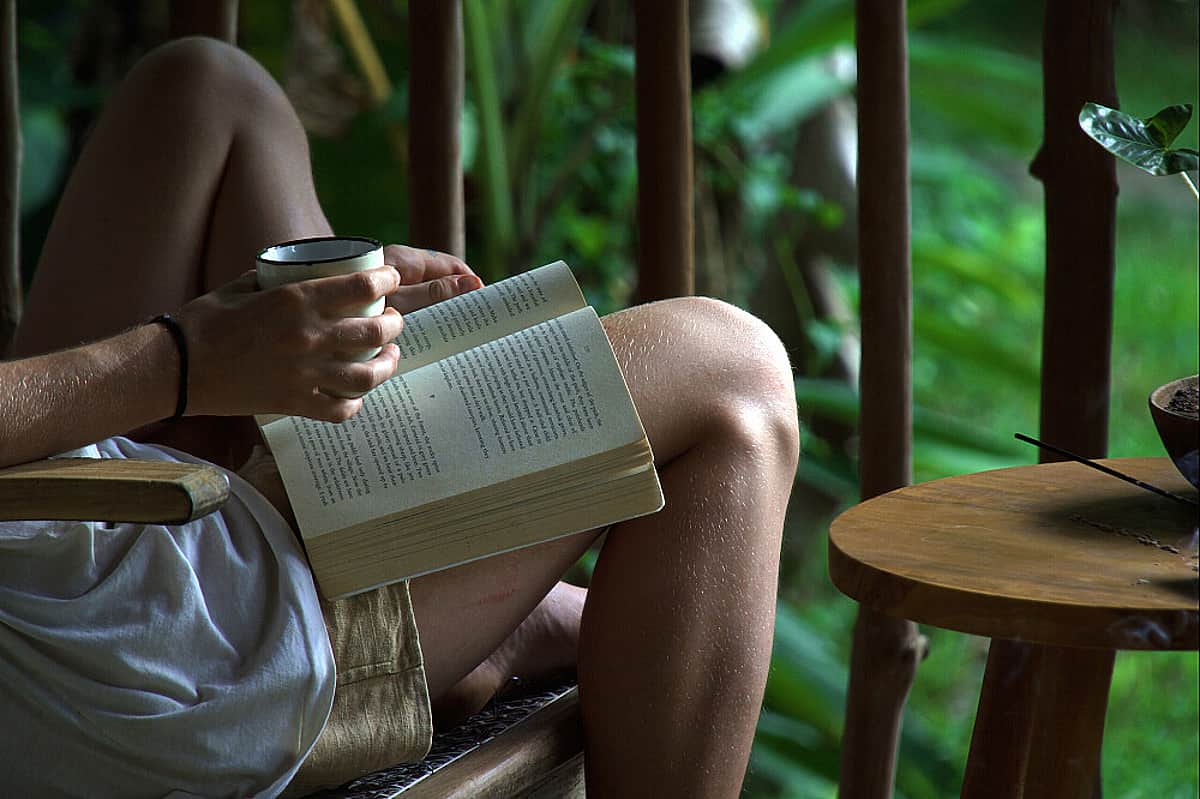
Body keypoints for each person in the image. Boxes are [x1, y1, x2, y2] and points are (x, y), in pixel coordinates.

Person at [0, 36, 799, 798]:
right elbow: (173, 363)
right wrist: (186, 360)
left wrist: (297, 332)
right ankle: (455, 595)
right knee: (733, 371)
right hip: (102, 648)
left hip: (52, 534)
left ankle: (429, 526)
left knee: (206, 92)